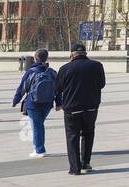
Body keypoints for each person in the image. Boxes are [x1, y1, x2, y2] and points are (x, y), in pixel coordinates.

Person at [55, 43, 106, 175]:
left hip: (72, 109)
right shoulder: (97, 66)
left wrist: (59, 102)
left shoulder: (65, 68)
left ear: (72, 54)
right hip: (91, 107)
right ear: (85, 53)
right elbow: (102, 84)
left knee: (72, 137)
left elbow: (58, 88)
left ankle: (75, 168)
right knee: (88, 134)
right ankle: (85, 163)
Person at [12, 49, 58, 158]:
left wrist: (15, 100)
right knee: (39, 125)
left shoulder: (31, 71)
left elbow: (23, 87)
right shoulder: (52, 72)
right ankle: (38, 146)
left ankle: (39, 150)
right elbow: (58, 88)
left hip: (33, 103)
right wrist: (59, 102)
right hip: (48, 103)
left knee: (37, 126)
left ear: (35, 58)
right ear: (46, 58)